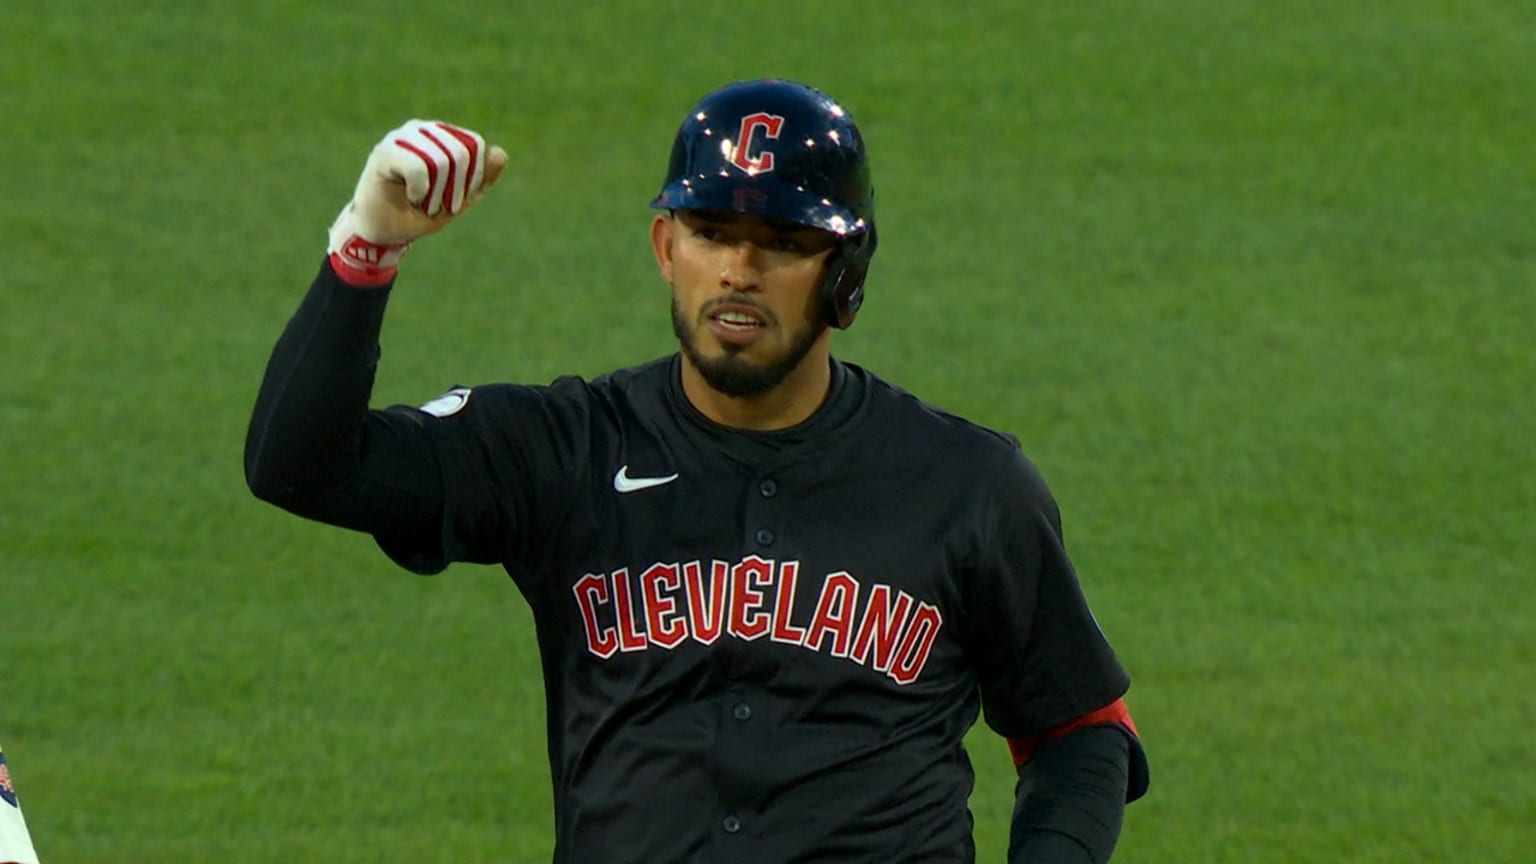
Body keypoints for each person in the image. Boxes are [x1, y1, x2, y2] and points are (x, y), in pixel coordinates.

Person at [245, 78, 1149, 863]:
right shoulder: (566, 449)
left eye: (785, 242)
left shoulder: (966, 483)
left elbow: (1081, 731)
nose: (740, 270)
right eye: (712, 231)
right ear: (665, 249)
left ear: (848, 271)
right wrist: (366, 247)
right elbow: (300, 468)